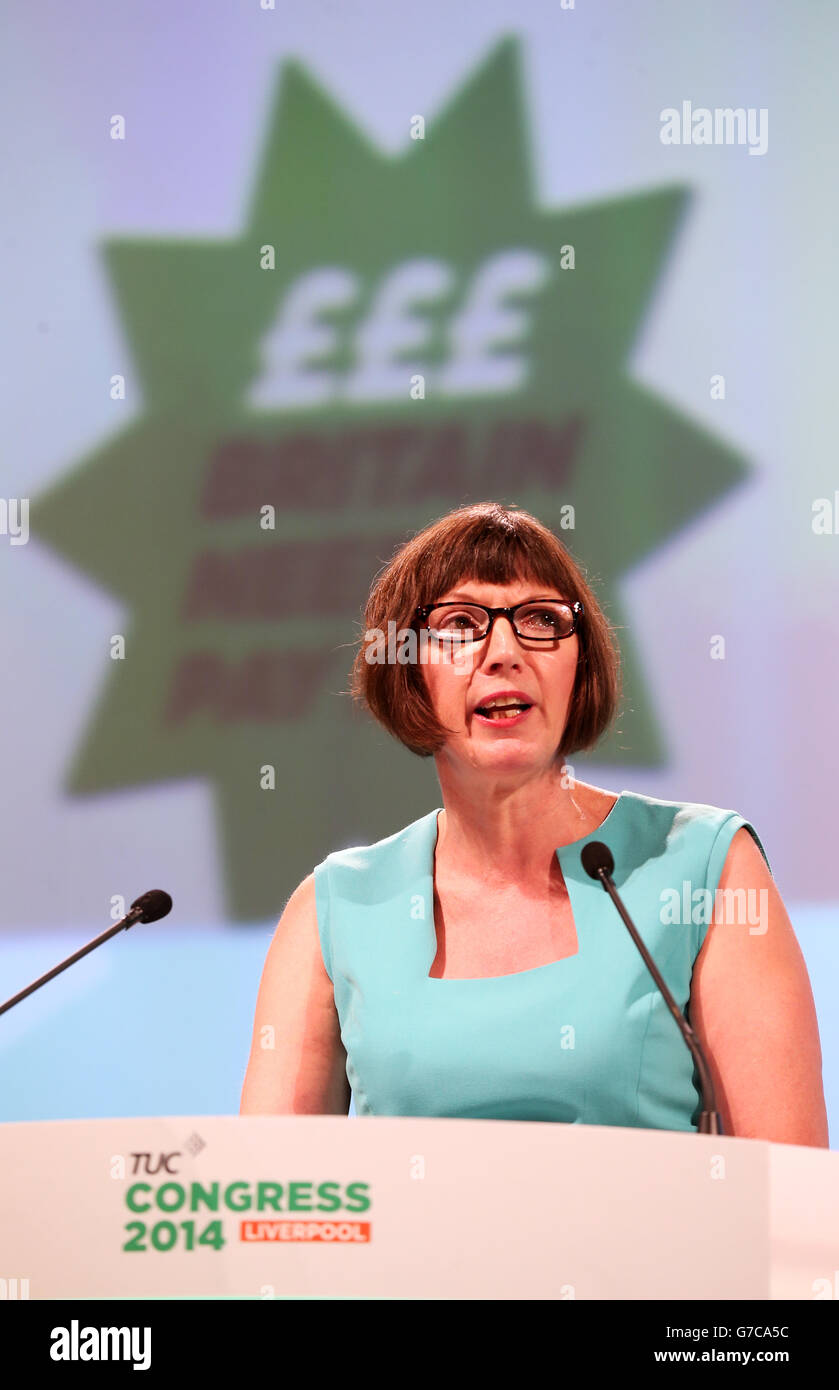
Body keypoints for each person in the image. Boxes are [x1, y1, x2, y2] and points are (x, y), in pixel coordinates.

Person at [240, 502, 828, 1146]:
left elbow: (787, 1191)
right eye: (461, 624)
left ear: (579, 670)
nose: (504, 652)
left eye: (541, 620)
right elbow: (275, 1199)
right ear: (407, 668)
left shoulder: (702, 864)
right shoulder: (339, 906)